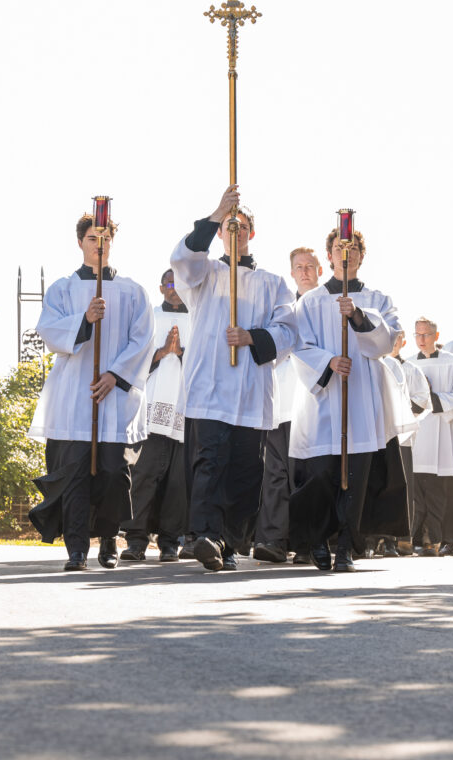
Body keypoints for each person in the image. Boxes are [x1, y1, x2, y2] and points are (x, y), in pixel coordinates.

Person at [170, 185, 297, 572]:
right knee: (208, 463)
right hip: (208, 387)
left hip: (249, 391)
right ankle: (205, 535)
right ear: (221, 234)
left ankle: (228, 540)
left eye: (241, 226)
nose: (234, 233)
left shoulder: (274, 283)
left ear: (251, 234)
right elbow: (183, 258)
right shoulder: (204, 275)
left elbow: (289, 332)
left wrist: (252, 337)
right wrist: (215, 214)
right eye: (229, 227)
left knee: (245, 471)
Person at [28, 213, 154, 571]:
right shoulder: (62, 289)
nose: (99, 245)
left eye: (105, 238)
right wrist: (84, 320)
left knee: (114, 473)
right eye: (91, 239)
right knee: (75, 476)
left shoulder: (132, 291)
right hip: (74, 397)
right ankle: (77, 549)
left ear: (111, 242)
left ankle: (109, 539)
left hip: (113, 398)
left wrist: (116, 374)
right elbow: (50, 332)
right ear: (80, 242)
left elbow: (143, 340)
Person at [288, 226, 404, 571]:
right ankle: (317, 541)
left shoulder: (378, 299)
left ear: (361, 256)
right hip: (324, 399)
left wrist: (356, 315)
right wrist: (328, 361)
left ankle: (346, 548)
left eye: (352, 247)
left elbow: (387, 341)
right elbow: (299, 345)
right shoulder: (309, 302)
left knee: (356, 477)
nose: (346, 252)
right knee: (321, 474)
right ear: (329, 256)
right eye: (339, 246)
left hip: (362, 399)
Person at [253, 247, 322, 564]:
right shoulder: (284, 308)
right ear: (292, 273)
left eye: (310, 266)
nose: (305, 271)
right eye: (299, 267)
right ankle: (273, 540)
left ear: (320, 270)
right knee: (276, 472)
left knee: (308, 476)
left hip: (315, 403)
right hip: (281, 401)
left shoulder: (329, 307)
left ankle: (308, 543)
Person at [121, 270, 190, 562]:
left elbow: (206, 362)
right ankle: (136, 540)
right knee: (144, 475)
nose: (174, 289)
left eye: (180, 284)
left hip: (183, 410)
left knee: (177, 482)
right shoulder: (150, 317)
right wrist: (161, 353)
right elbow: (133, 357)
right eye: (169, 284)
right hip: (150, 409)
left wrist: (182, 352)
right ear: (161, 288)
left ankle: (170, 542)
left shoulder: (197, 318)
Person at [407, 319, 453, 556]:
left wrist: (431, 399)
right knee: (420, 489)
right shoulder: (408, 364)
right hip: (419, 433)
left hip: (449, 432)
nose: (422, 339)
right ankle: (418, 539)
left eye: (426, 335)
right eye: (418, 335)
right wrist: (418, 403)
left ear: (436, 336)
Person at [376, 330, 431, 557]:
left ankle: (397, 540)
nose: (393, 343)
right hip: (375, 434)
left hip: (400, 437)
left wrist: (398, 404)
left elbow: (423, 401)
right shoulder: (374, 364)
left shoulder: (411, 370)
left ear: (402, 342)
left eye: (396, 339)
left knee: (398, 487)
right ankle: (374, 538)